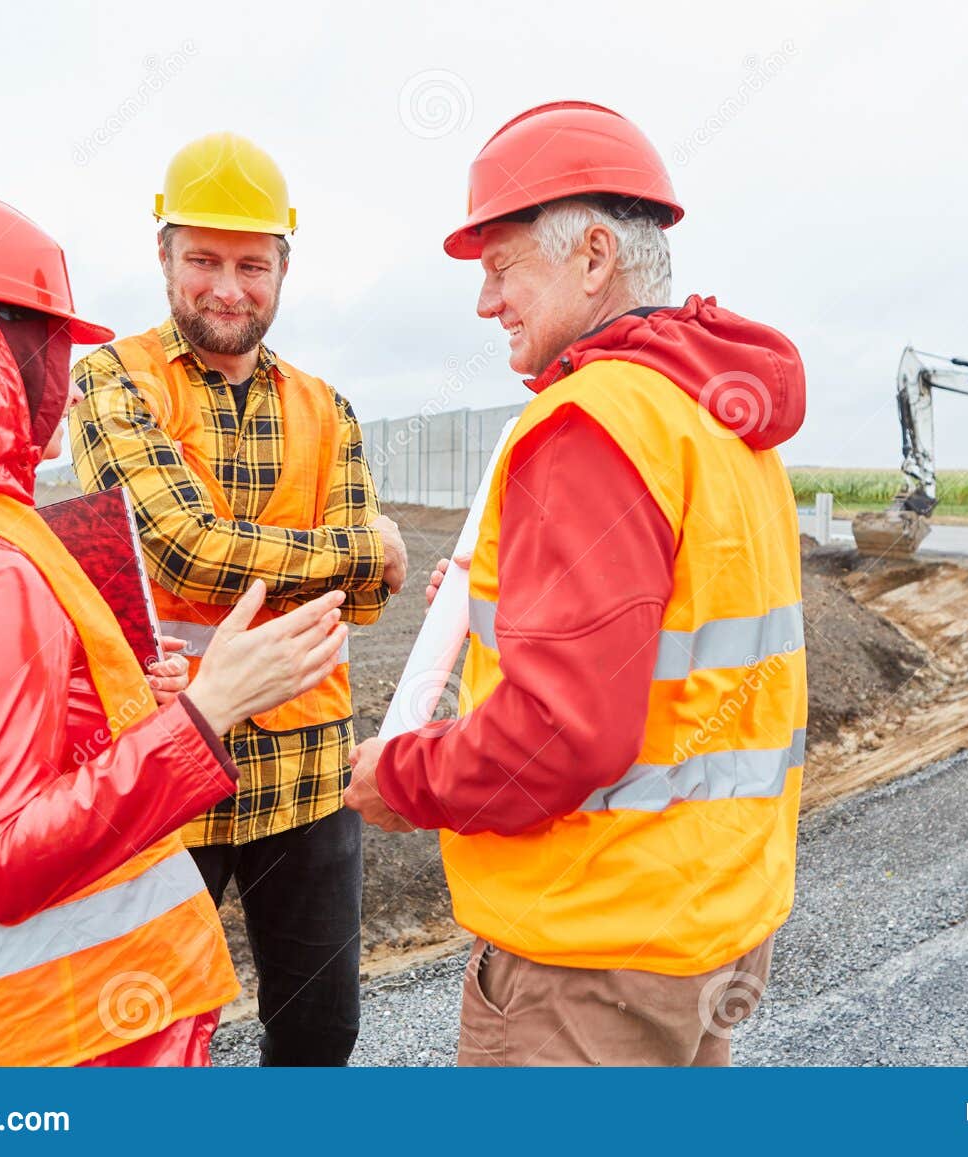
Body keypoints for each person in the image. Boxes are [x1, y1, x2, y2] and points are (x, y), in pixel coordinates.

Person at [0, 183, 349, 1066]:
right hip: (46, 1038)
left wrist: (107, 693)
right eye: (49, 343)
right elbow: (1, 859)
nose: (59, 376)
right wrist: (209, 711)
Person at [345, 102, 809, 1066]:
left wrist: (401, 774)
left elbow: (560, 735)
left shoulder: (590, 421)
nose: (485, 301)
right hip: (709, 926)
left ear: (593, 256)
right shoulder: (714, 416)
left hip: (592, 955)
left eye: (502, 265)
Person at [68, 133, 406, 1066]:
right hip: (167, 764)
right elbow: (179, 545)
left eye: (251, 265)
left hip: (307, 772)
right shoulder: (111, 379)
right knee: (151, 1032)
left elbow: (363, 604)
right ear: (165, 258)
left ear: (283, 270)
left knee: (319, 1032)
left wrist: (356, 572)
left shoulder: (326, 406)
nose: (228, 287)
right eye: (204, 260)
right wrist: (357, 549)